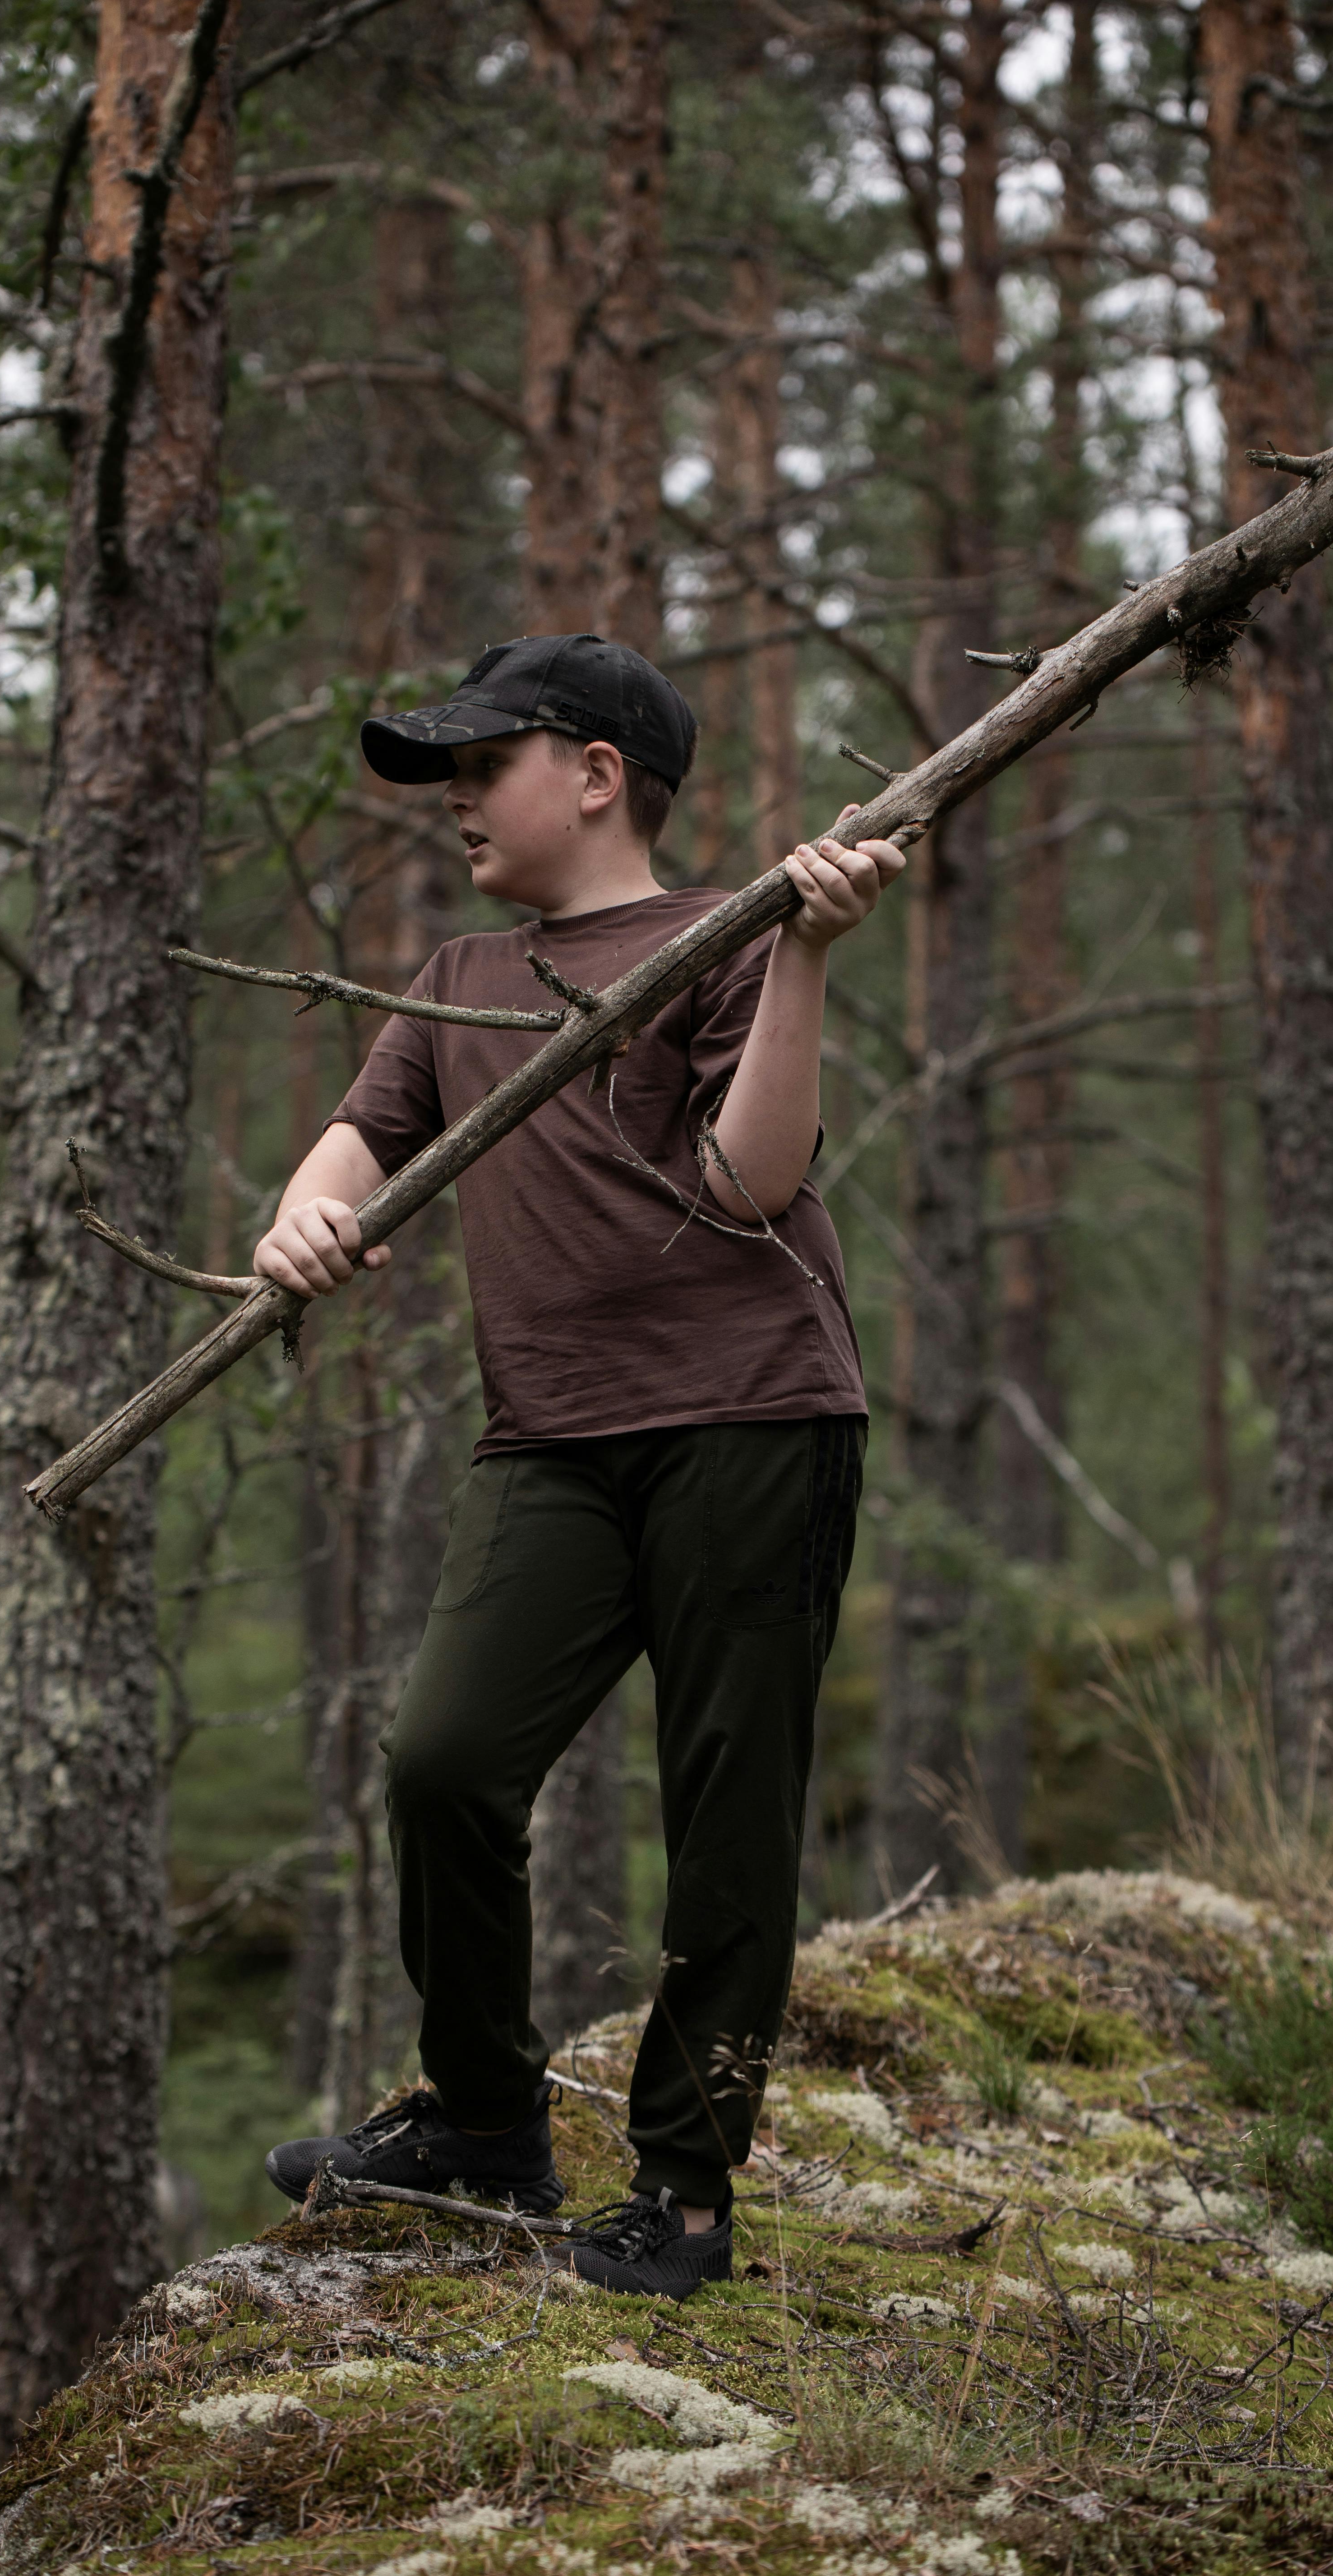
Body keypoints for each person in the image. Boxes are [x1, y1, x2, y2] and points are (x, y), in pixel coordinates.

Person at [256, 633, 900, 2295]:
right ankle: (485, 2119)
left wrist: (810, 956)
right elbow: (363, 1136)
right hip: (550, 1439)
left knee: (726, 1806)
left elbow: (751, 1186)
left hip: (750, 1415)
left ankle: (688, 2194)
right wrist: (303, 1213)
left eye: (486, 764)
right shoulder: (461, 975)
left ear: (597, 775)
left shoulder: (733, 934)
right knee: (443, 1757)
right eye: (445, 772)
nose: (457, 798)